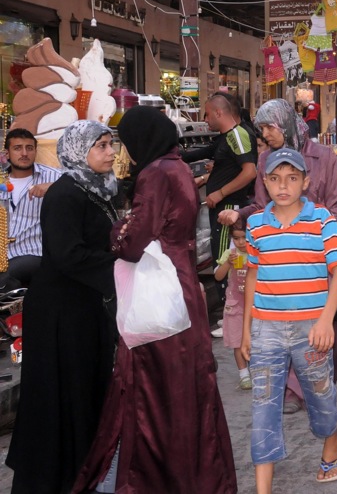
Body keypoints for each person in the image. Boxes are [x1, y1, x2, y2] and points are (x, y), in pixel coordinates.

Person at [74, 106, 237, 493]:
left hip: (159, 293)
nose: (123, 151)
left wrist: (115, 230)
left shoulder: (154, 173)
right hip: (181, 287)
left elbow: (132, 242)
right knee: (187, 385)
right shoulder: (177, 166)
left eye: (125, 142)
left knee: (155, 387)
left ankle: (157, 478)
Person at [221, 99, 337, 414]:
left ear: (285, 123)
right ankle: (291, 391)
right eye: (261, 128)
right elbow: (262, 207)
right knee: (284, 324)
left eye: (269, 127)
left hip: (319, 251)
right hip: (281, 256)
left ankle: (315, 384)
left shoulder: (324, 156)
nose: (265, 134)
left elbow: (336, 204)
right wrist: (240, 215)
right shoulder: (264, 161)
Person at [6, 121, 119, 494]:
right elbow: (69, 255)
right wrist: (120, 268)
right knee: (61, 392)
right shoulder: (66, 194)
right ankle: (55, 476)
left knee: (81, 390)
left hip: (83, 307)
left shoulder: (95, 189)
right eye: (101, 145)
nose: (110, 152)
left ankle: (82, 469)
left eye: (111, 144)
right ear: (78, 151)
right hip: (61, 313)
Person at [242, 148, 337, 490]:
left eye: (291, 178)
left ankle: (331, 440)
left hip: (311, 330)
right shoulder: (256, 224)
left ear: (306, 181)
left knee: (320, 398)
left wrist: (325, 320)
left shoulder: (321, 219)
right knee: (263, 408)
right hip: (266, 330)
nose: (283, 186)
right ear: (265, 183)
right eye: (274, 179)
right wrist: (247, 331)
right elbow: (253, 278)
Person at [185, 92, 258, 298]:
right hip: (222, 207)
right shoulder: (227, 137)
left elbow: (249, 171)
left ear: (219, 112)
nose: (205, 119)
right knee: (221, 255)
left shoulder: (238, 134)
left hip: (229, 207)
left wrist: (220, 192)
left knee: (226, 258)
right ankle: (230, 311)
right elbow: (201, 154)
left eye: (207, 114)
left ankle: (230, 307)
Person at [0, 128, 60, 289]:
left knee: (6, 276)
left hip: (34, 253)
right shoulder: (1, 179)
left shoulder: (54, 177)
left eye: (29, 148)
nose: (24, 153)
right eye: (18, 148)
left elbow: (83, 186)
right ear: (7, 153)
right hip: (3, 255)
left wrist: (54, 188)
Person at [213, 219, 252, 389]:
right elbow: (218, 276)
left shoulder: (256, 253)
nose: (241, 242)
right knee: (238, 341)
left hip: (255, 305)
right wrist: (228, 262)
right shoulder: (230, 253)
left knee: (258, 339)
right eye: (237, 238)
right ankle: (244, 374)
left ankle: (258, 371)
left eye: (245, 237)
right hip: (235, 305)